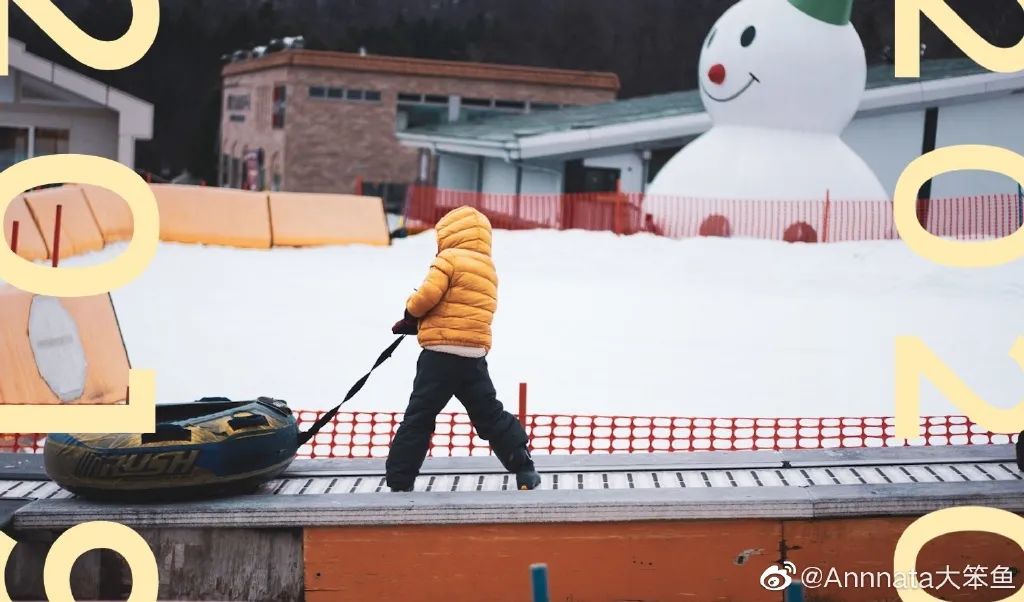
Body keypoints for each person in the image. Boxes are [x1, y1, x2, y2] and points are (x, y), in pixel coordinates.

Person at [386, 206, 541, 493]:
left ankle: (399, 482)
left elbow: (427, 297)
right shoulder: (488, 269)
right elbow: (464, 309)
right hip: (473, 355)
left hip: (440, 357)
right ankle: (523, 465)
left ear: (449, 234)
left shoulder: (448, 259)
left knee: (419, 417)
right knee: (489, 415)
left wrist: (411, 313)